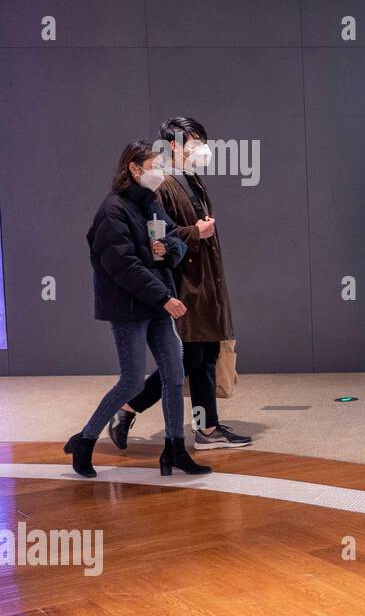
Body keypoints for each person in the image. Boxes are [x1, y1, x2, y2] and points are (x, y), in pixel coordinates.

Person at [65, 141, 211, 478]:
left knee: (174, 375)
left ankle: (174, 449)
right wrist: (164, 296)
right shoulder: (111, 211)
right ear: (134, 168)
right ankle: (85, 440)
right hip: (130, 308)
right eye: (155, 165)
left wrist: (168, 250)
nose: (160, 171)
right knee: (131, 381)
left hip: (157, 304)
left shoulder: (151, 203)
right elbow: (124, 266)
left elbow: (173, 238)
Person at [107, 117, 250, 451]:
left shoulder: (192, 180)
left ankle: (207, 429)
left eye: (202, 139)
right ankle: (127, 408)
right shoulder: (164, 182)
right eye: (194, 140)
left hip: (205, 281)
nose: (201, 146)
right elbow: (155, 233)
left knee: (206, 355)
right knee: (188, 359)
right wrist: (194, 233)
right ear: (174, 145)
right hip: (184, 283)